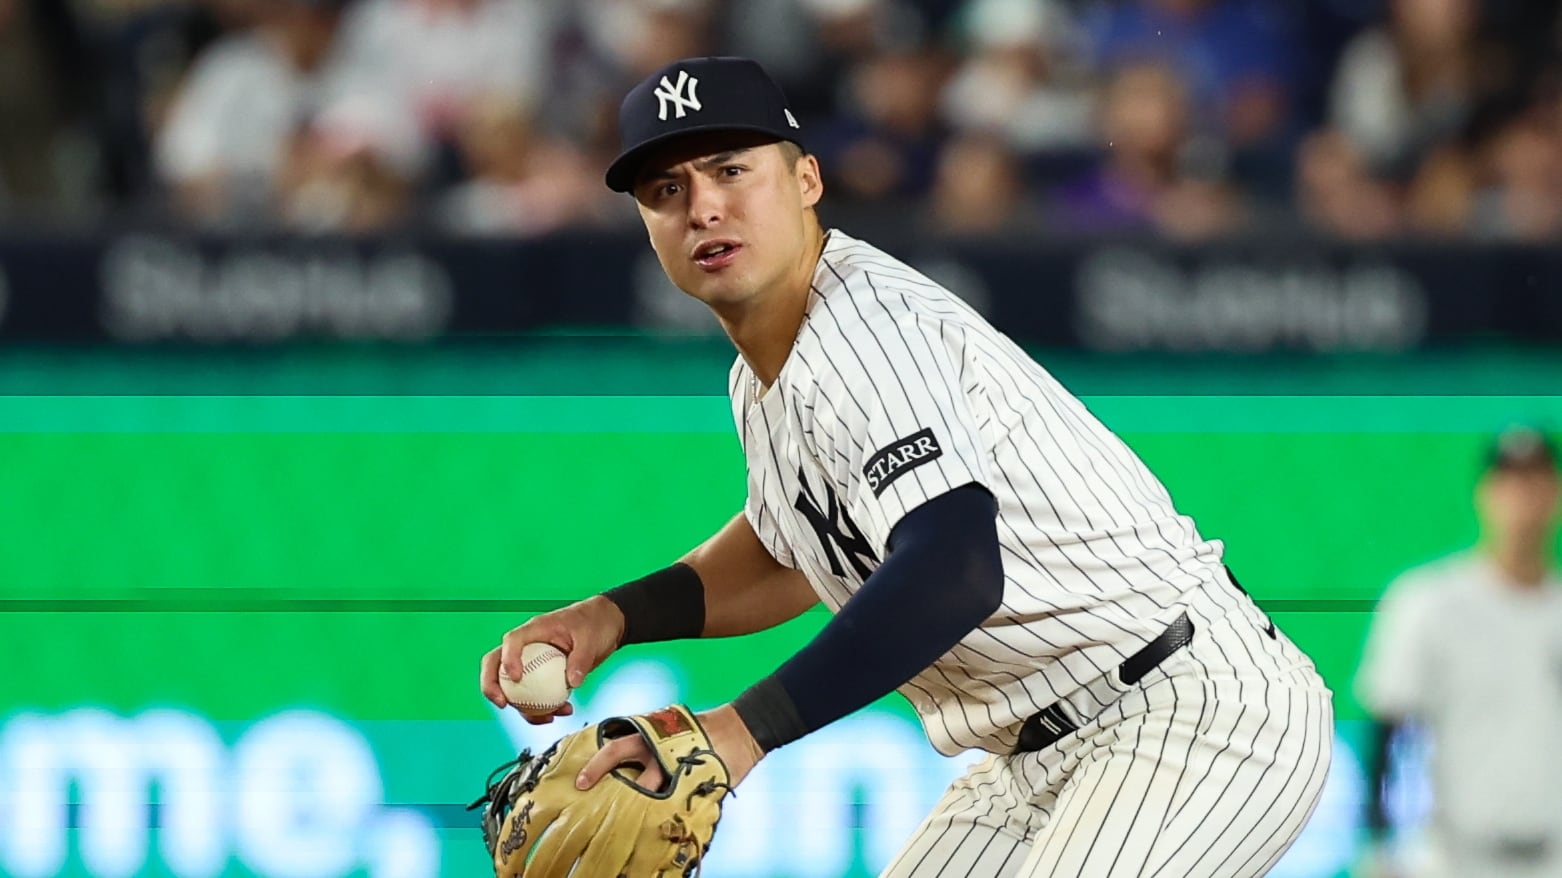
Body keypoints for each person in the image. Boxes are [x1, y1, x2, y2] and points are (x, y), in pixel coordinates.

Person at [479, 55, 1333, 877]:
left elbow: (956, 569)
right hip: (1032, 759)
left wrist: (741, 730)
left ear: (807, 180)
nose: (703, 207)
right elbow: (792, 555)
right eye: (667, 191)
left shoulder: (866, 329)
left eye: (730, 171)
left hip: (1189, 711)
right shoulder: (764, 373)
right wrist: (614, 617)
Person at [1356, 427, 1562, 878]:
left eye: (1537, 480)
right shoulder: (1428, 603)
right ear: (1485, 494)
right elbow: (1387, 730)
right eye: (1510, 482)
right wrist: (1375, 842)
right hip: (1458, 858)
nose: (1524, 498)